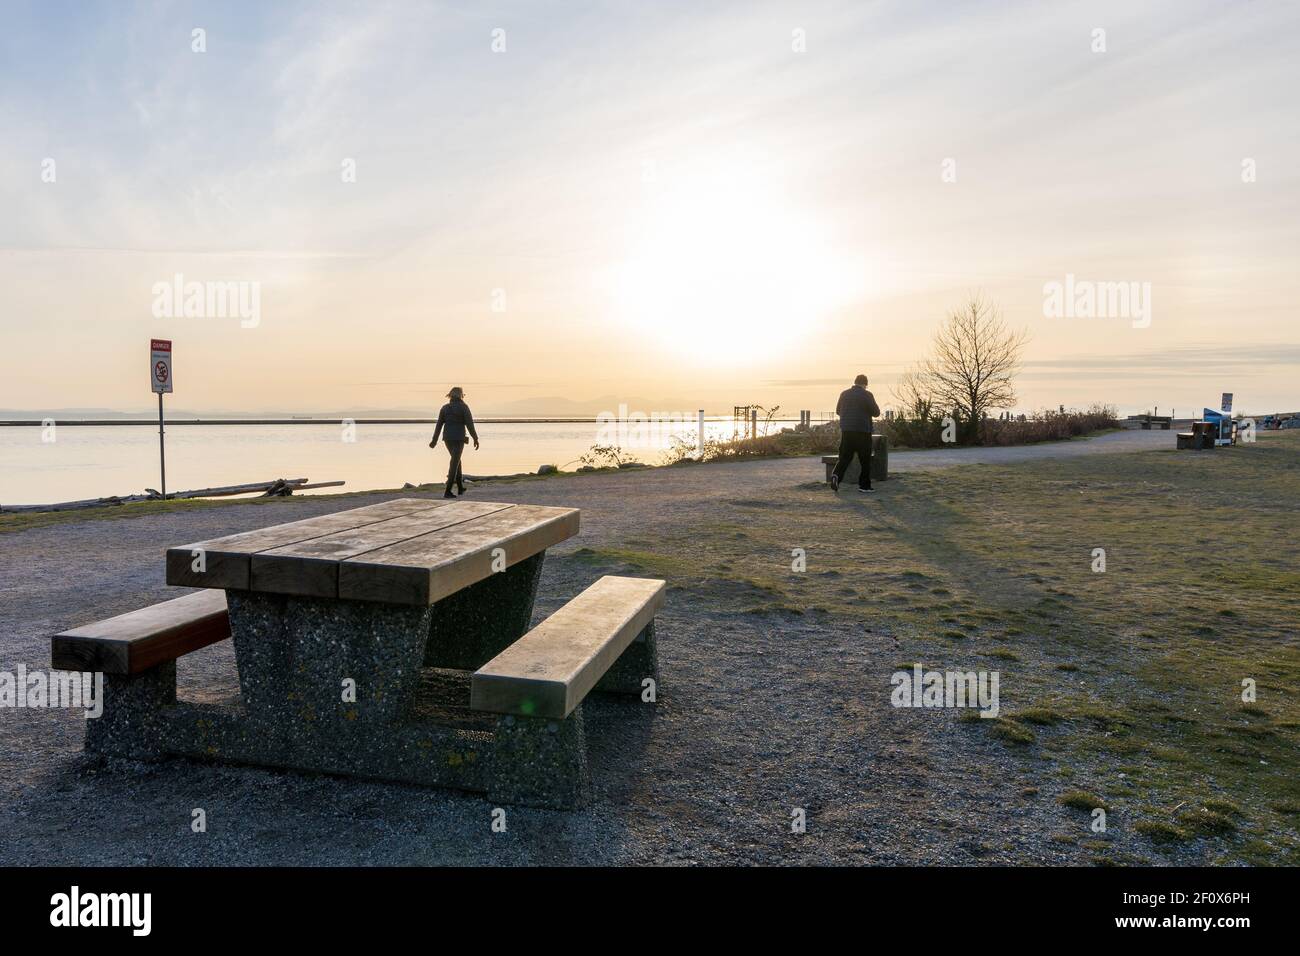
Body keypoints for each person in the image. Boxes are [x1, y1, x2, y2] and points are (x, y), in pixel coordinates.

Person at [831, 373, 881, 494]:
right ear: (865, 384)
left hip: (847, 431)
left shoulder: (844, 394)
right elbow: (876, 412)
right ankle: (864, 486)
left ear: (855, 382)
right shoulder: (867, 395)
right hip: (863, 431)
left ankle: (836, 475)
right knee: (865, 460)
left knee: (845, 457)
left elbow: (838, 411)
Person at [429, 386, 480, 498]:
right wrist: (475, 438)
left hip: (447, 438)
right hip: (458, 438)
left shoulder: (444, 408)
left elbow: (438, 425)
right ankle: (448, 491)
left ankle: (460, 488)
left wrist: (434, 440)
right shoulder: (464, 407)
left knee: (457, 460)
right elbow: (470, 424)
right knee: (454, 463)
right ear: (461, 395)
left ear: (450, 396)